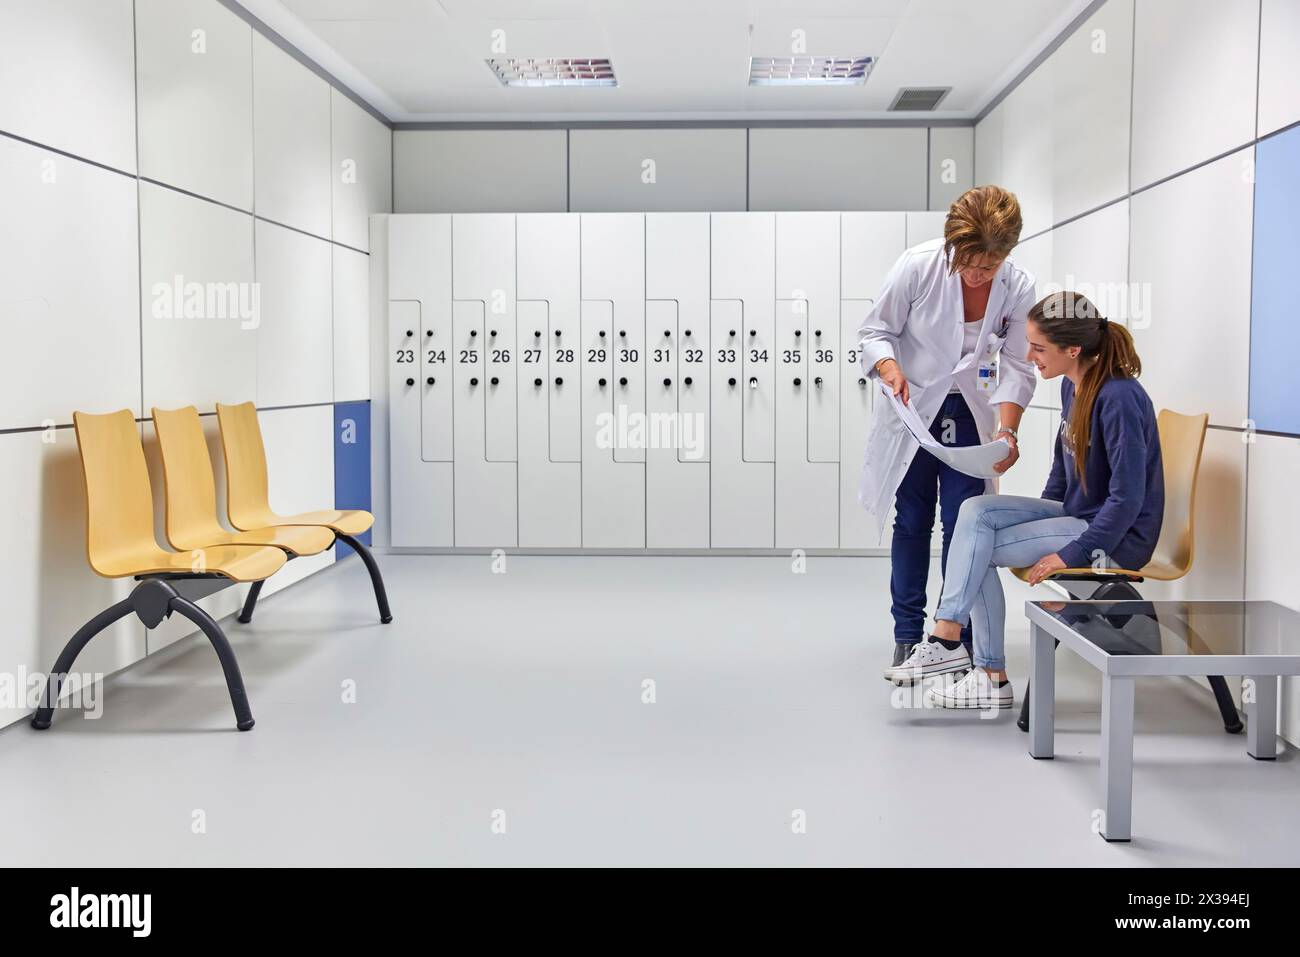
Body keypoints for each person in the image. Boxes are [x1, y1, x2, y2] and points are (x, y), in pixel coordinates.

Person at [891, 291, 1165, 708]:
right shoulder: (1075, 387)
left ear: (1073, 349)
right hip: (1079, 514)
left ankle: (982, 667)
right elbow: (1063, 467)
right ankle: (959, 649)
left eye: (1038, 348)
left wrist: (1072, 551)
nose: (1030, 356)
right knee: (975, 510)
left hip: (1117, 535)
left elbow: (1128, 499)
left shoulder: (1119, 398)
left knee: (975, 551)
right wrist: (1034, 522)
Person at [858, 186, 1037, 678]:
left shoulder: (1019, 287)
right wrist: (890, 368)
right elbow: (875, 331)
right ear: (953, 245)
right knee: (912, 522)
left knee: (966, 526)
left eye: (991, 264)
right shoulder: (918, 266)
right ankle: (907, 635)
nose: (980, 273)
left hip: (974, 418)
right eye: (971, 262)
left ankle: (956, 635)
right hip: (914, 409)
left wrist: (1008, 430)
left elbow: (1020, 366)